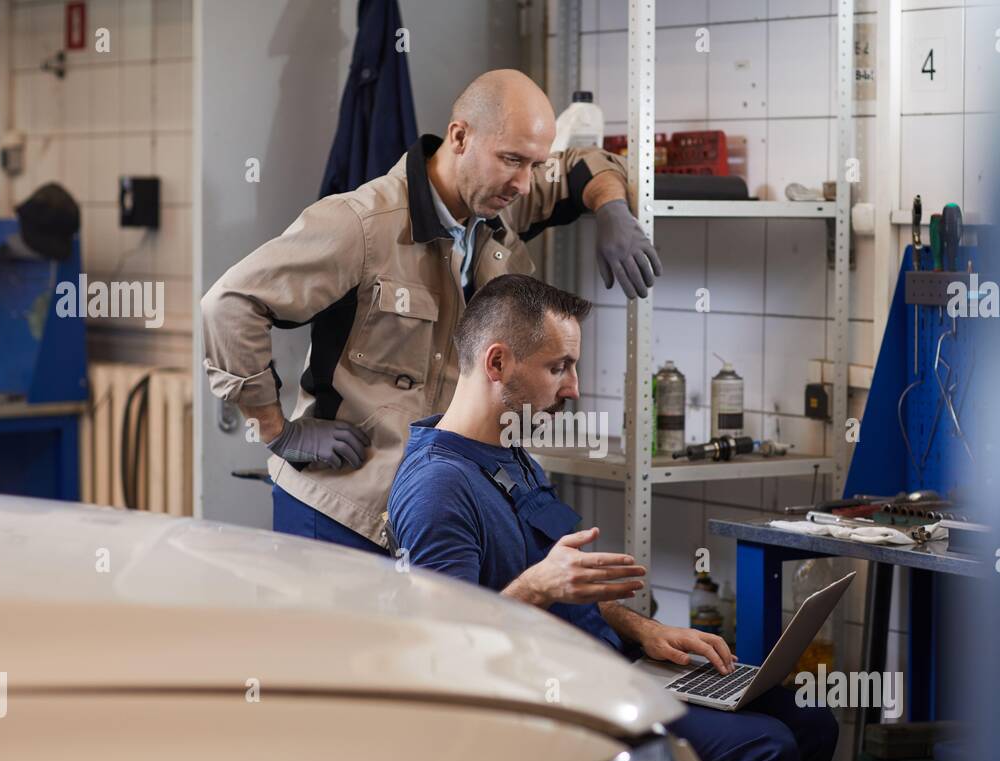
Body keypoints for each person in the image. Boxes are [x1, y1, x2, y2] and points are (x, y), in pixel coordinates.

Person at [387, 274, 839, 761]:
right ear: (498, 363)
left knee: (809, 725)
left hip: (607, 667)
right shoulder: (438, 486)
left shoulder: (512, 455)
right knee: (761, 751)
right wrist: (534, 588)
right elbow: (444, 657)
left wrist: (641, 629)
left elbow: (568, 585)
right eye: (559, 367)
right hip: (544, 706)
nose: (573, 388)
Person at [202, 69, 661, 553]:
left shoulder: (498, 206)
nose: (525, 184)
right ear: (460, 136)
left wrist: (612, 209)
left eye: (533, 164)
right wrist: (277, 431)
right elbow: (229, 304)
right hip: (342, 512)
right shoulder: (360, 224)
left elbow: (586, 163)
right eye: (511, 160)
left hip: (434, 511)